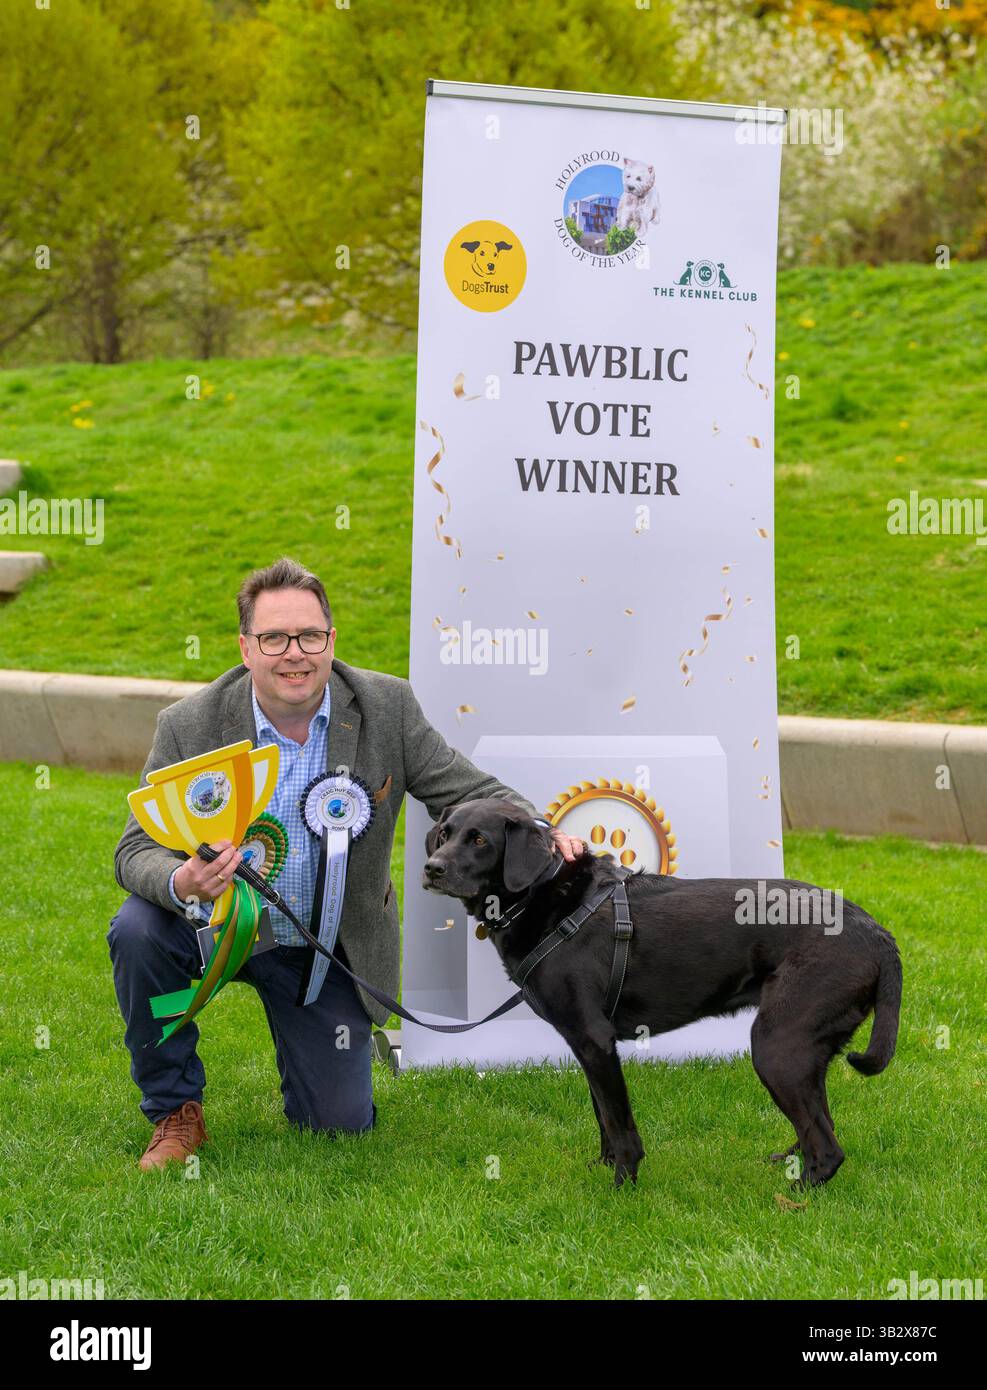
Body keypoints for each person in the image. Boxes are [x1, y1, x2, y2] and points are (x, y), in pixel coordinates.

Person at [109, 556, 584, 1170]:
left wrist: (543, 830)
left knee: (338, 1127)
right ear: (246, 648)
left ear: (331, 640)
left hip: (324, 945)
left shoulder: (386, 707)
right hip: (214, 926)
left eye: (310, 636)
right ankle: (174, 1111)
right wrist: (181, 880)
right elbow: (133, 850)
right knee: (138, 929)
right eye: (274, 638)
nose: (294, 654)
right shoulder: (190, 723)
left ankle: (318, 1072)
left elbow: (466, 789)